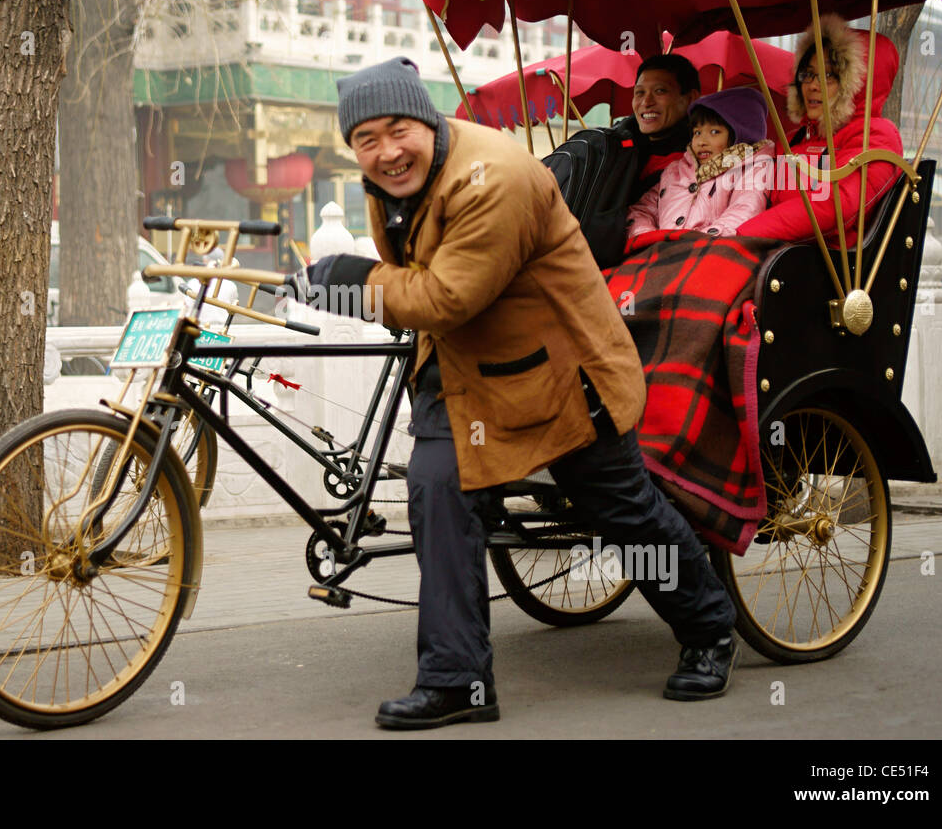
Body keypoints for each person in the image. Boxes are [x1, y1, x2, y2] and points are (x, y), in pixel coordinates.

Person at [297, 57, 738, 730]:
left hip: (566, 372)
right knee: (437, 494)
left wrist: (349, 280)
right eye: (366, 140)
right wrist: (339, 285)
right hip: (468, 371)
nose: (385, 152)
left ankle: (709, 627)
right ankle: (457, 680)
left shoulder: (492, 178)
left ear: (427, 122)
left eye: (397, 131)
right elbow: (418, 276)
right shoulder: (393, 176)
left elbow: (446, 295)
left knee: (621, 510)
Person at [736, 14, 901, 240]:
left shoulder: (875, 136)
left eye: (828, 75)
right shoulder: (794, 139)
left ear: (858, 84)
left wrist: (741, 234)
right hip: (769, 248)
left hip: (822, 257)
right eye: (808, 74)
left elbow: (834, 207)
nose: (813, 85)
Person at [626, 87, 774, 240]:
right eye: (697, 132)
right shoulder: (676, 171)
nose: (701, 142)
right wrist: (647, 237)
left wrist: (696, 242)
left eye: (714, 132)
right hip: (663, 250)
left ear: (740, 134)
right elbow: (642, 210)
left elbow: (745, 209)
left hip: (712, 247)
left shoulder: (752, 167)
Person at [622, 53, 703, 196]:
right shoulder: (618, 146)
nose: (646, 102)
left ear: (691, 98)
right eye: (640, 92)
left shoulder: (703, 163)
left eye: (660, 91)